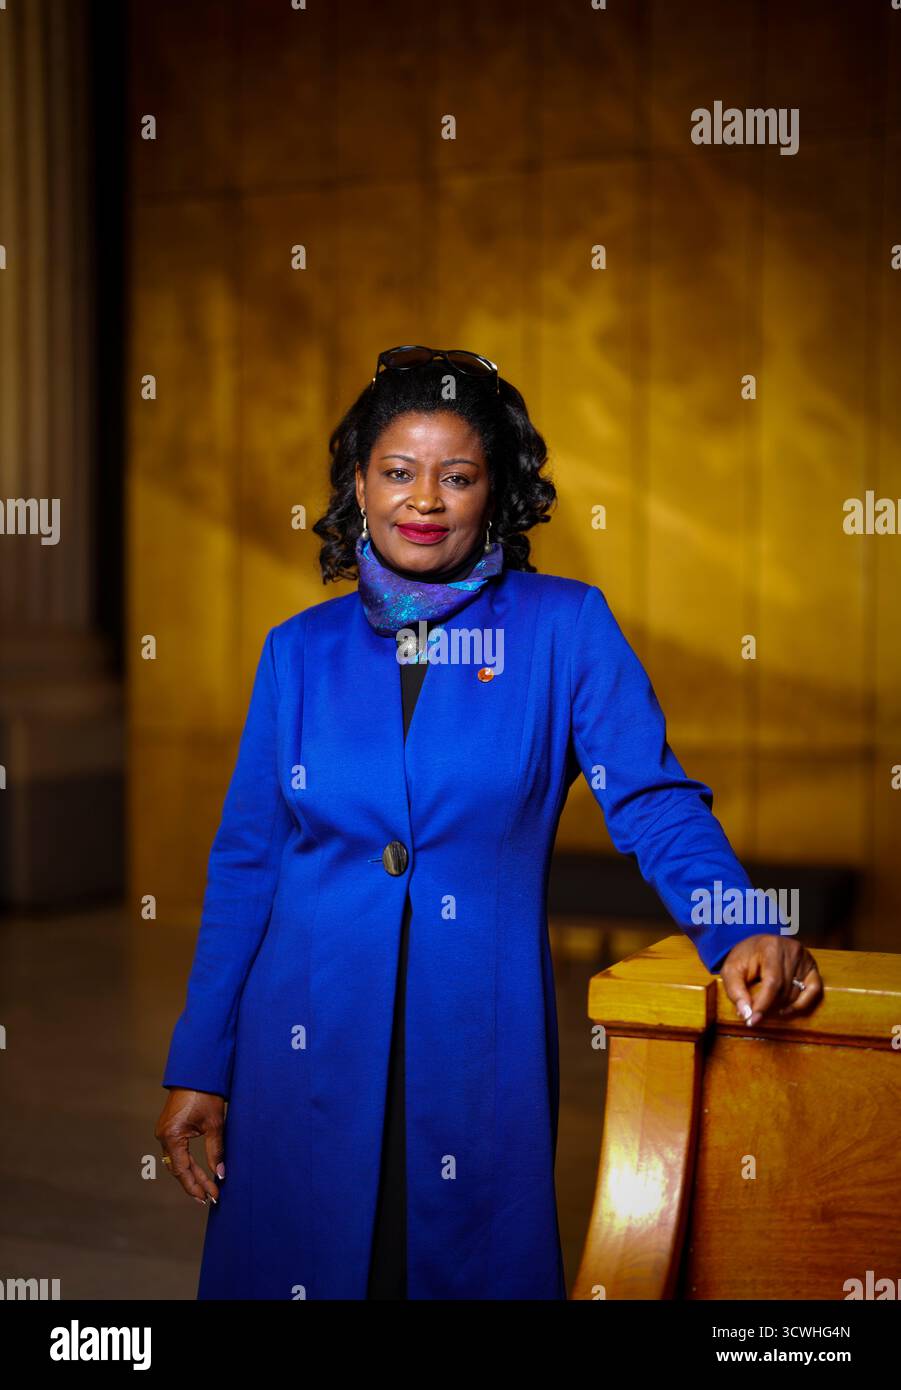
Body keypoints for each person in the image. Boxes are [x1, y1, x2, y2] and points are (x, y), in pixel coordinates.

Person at [155, 345, 822, 1300]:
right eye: (396, 471)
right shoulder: (294, 652)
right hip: (294, 1042)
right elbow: (245, 866)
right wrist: (201, 1061)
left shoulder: (564, 627)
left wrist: (737, 920)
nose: (422, 499)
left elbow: (651, 796)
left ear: (493, 492)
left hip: (473, 1041)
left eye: (455, 476)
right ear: (358, 484)